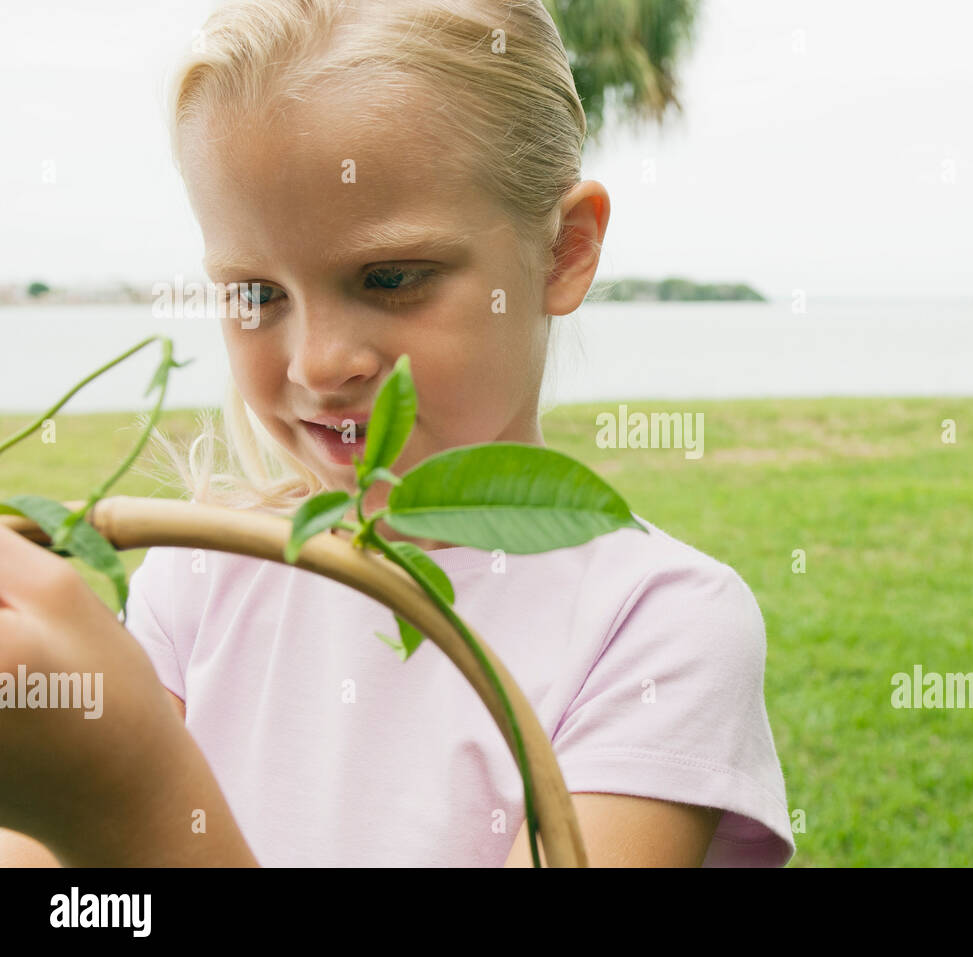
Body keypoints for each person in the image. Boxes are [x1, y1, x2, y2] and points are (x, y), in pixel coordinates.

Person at [0, 0, 795, 867]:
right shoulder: (196, 580)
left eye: (388, 277)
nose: (316, 361)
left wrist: (129, 802)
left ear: (563, 251)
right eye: (256, 294)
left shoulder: (658, 624)